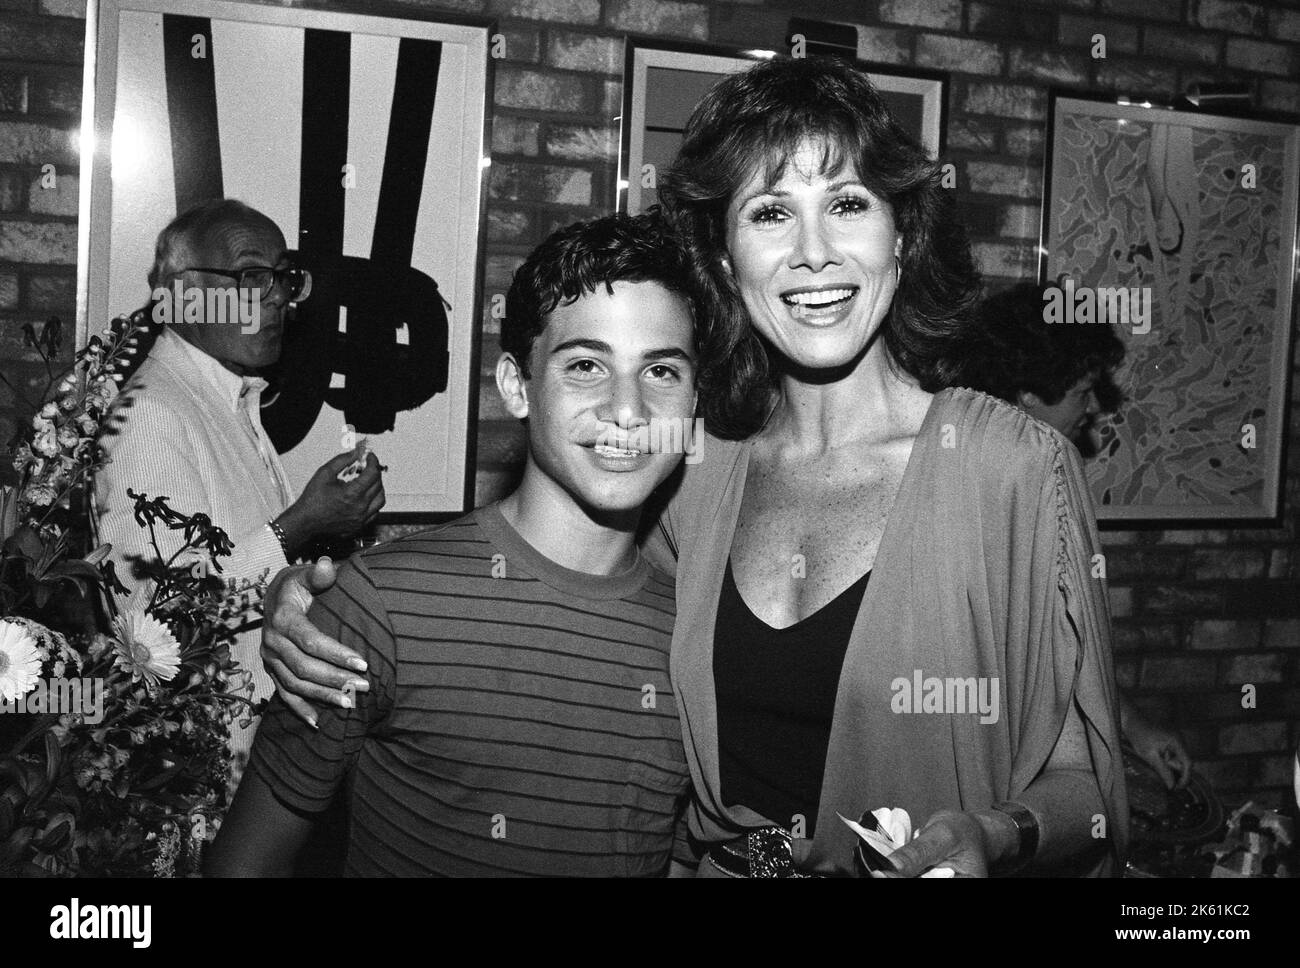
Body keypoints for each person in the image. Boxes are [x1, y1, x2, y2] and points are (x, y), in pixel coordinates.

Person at [259, 58, 1129, 877]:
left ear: (902, 237)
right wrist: (308, 598)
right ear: (724, 258)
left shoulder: (1009, 470)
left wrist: (989, 832)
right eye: (770, 212)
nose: (814, 252)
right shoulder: (696, 470)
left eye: (850, 204)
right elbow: (556, 590)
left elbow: (1085, 777)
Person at [206, 212, 698, 877]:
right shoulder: (380, 605)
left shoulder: (697, 641)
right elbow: (243, 867)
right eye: (586, 365)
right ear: (517, 388)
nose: (629, 410)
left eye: (662, 372)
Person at [94, 198, 385, 776]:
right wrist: (305, 522)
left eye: (282, 276)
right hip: (197, 775)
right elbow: (154, 623)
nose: (277, 296)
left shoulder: (221, 397)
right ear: (182, 293)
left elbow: (238, 566)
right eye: (252, 277)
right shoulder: (154, 413)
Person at [957, 281, 1193, 790]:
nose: (1090, 409)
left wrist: (1131, 725)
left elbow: (1068, 636)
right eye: (1081, 392)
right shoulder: (992, 489)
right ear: (1026, 396)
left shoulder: (1030, 474)